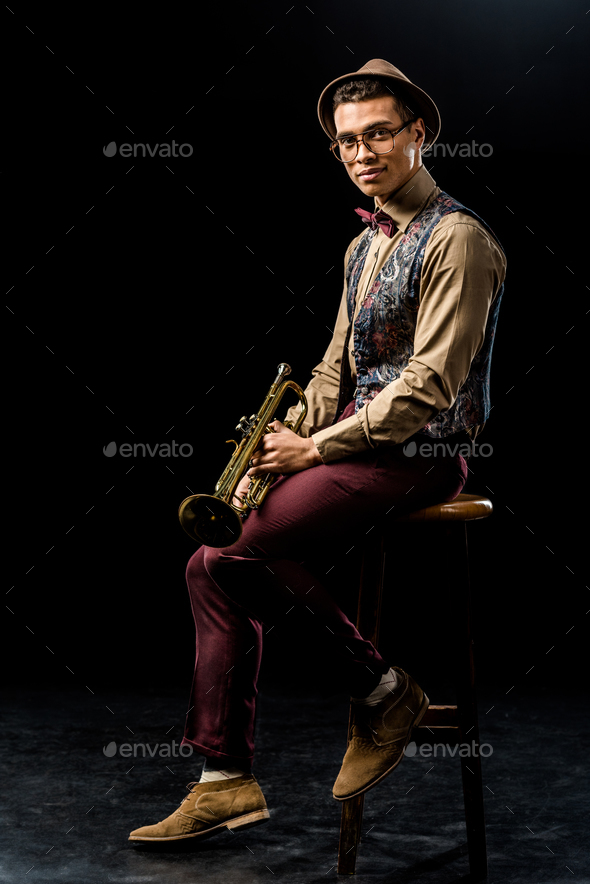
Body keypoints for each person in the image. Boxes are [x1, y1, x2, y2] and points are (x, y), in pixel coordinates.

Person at [128, 58, 506, 843]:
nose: (362, 153)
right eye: (347, 142)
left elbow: (431, 388)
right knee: (209, 560)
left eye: (378, 135)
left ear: (418, 134)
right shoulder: (362, 245)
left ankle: (385, 691)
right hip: (351, 448)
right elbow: (337, 364)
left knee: (232, 560)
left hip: (421, 454)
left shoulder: (461, 241)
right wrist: (286, 433)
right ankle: (224, 779)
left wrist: (313, 450)